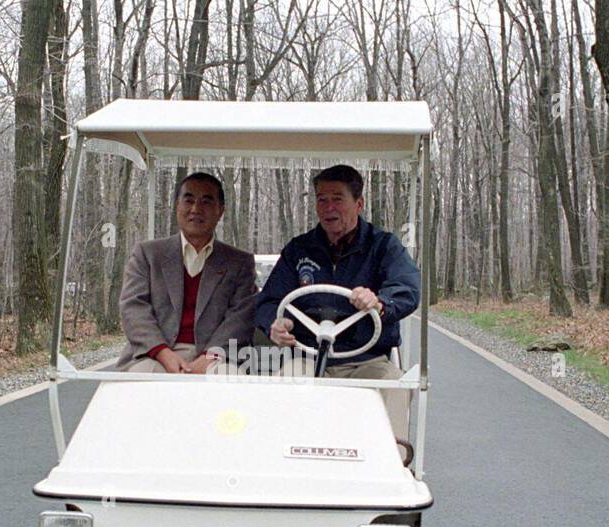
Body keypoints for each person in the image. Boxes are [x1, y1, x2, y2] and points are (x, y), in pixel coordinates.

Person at [254, 164, 420, 438]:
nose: (329, 207)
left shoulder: (383, 247)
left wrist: (379, 302)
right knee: (287, 381)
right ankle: (286, 460)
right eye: (322, 199)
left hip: (366, 360)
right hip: (307, 356)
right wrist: (275, 322)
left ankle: (393, 465)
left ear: (358, 203)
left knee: (393, 384)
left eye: (338, 199)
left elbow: (407, 289)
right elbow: (269, 300)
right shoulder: (299, 249)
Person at [115, 172, 257, 373]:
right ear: (177, 206)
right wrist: (162, 352)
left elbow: (241, 317)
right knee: (144, 380)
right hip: (155, 355)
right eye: (188, 200)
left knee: (226, 379)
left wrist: (210, 356)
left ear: (220, 211)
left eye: (206, 202)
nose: (195, 209)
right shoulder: (148, 254)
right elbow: (133, 307)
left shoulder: (239, 262)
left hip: (215, 357)